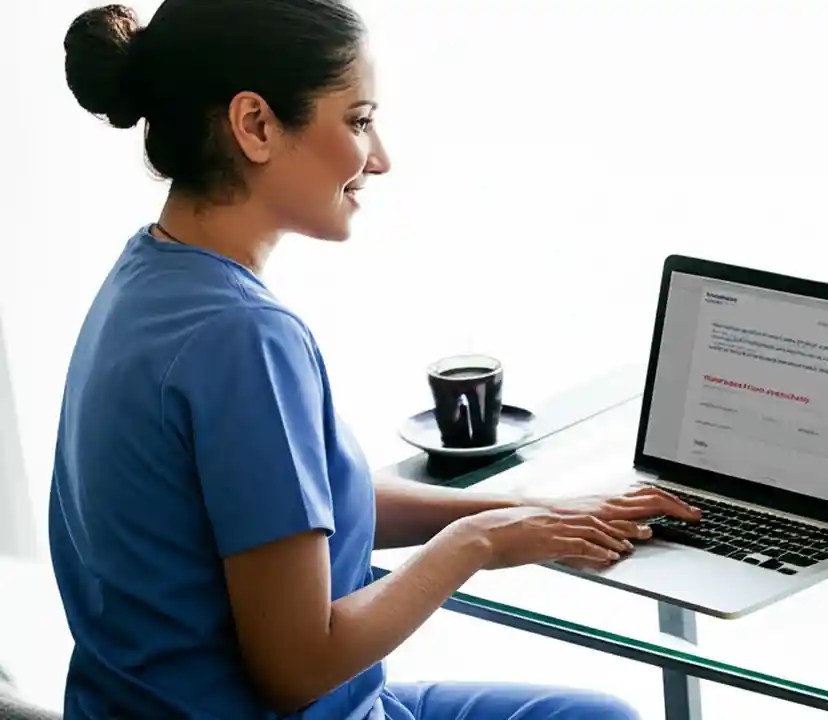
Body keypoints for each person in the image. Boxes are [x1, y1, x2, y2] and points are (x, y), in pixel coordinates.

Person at [52, 2, 701, 718]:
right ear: (256, 126)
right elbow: (297, 669)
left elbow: (293, 516)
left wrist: (527, 510)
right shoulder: (244, 339)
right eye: (358, 121)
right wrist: (475, 543)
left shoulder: (149, 277)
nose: (380, 157)